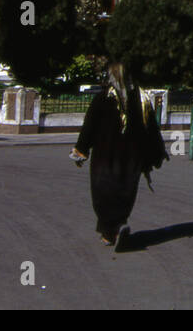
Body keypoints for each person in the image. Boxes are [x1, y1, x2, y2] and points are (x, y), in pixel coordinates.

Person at [71, 63, 169, 247]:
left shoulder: (103, 98)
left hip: (105, 158)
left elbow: (89, 126)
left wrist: (81, 150)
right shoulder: (141, 100)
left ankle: (110, 231)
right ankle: (115, 228)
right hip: (132, 159)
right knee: (124, 192)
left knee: (103, 194)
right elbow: (152, 130)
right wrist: (156, 154)